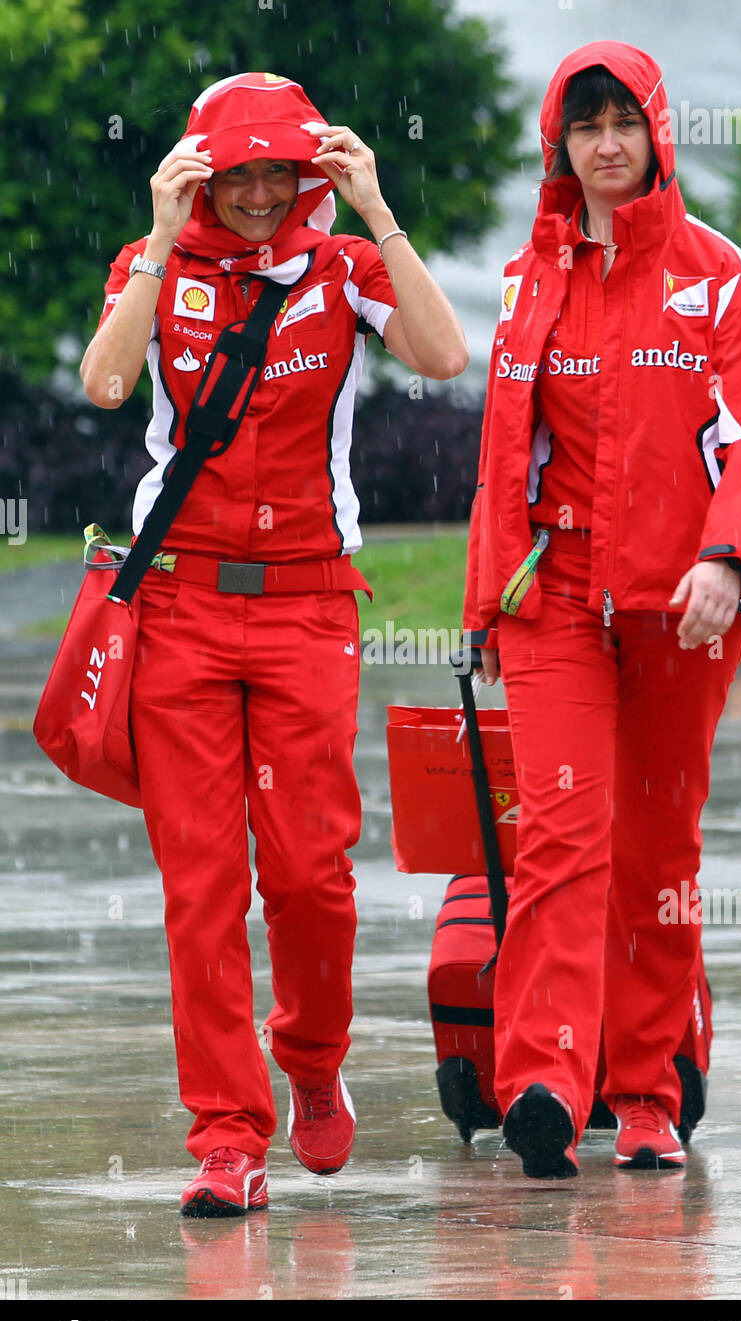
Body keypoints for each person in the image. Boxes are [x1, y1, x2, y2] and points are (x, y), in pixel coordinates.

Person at [80, 72, 468, 1216]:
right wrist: (157, 239)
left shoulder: (345, 270)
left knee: (308, 873)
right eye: (235, 172)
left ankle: (308, 1057)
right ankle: (226, 1135)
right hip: (182, 607)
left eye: (276, 172)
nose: (257, 194)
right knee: (201, 885)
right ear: (203, 175)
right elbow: (105, 383)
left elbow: (446, 358)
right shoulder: (158, 266)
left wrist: (378, 212)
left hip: (307, 606)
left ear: (308, 174)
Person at [463, 41, 741, 1178]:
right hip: (551, 600)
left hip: (680, 611)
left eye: (624, 125)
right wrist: (482, 603)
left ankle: (647, 1092)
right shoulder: (527, 279)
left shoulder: (721, 276)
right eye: (584, 127)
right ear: (562, 143)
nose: (606, 146)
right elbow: (503, 453)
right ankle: (547, 1078)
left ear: (656, 135)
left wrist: (722, 558)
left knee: (656, 851)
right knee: (559, 835)